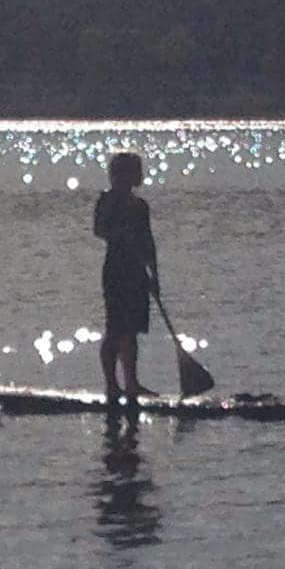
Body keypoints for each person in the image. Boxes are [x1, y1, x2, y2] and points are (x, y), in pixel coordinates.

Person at [93, 152, 160, 402]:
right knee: (116, 328)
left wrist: (154, 275)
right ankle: (112, 384)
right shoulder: (108, 201)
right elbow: (99, 230)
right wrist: (122, 234)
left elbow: (149, 242)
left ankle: (132, 383)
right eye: (135, 171)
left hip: (137, 273)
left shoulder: (141, 206)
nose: (139, 175)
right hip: (116, 271)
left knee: (131, 330)